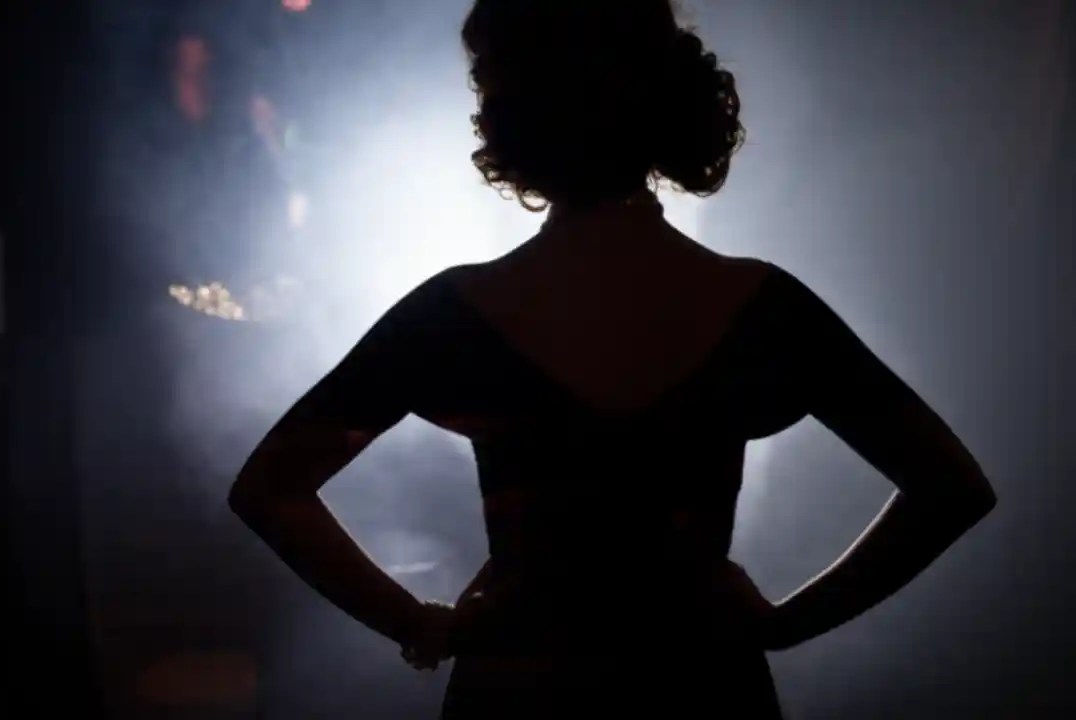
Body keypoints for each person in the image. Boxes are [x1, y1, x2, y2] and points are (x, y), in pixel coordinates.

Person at [228, 1, 997, 716]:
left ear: (509, 114)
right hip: (703, 686)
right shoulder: (764, 306)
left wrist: (425, 625)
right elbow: (950, 486)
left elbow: (272, 489)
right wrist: (785, 624)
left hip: (520, 687)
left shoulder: (456, 313)